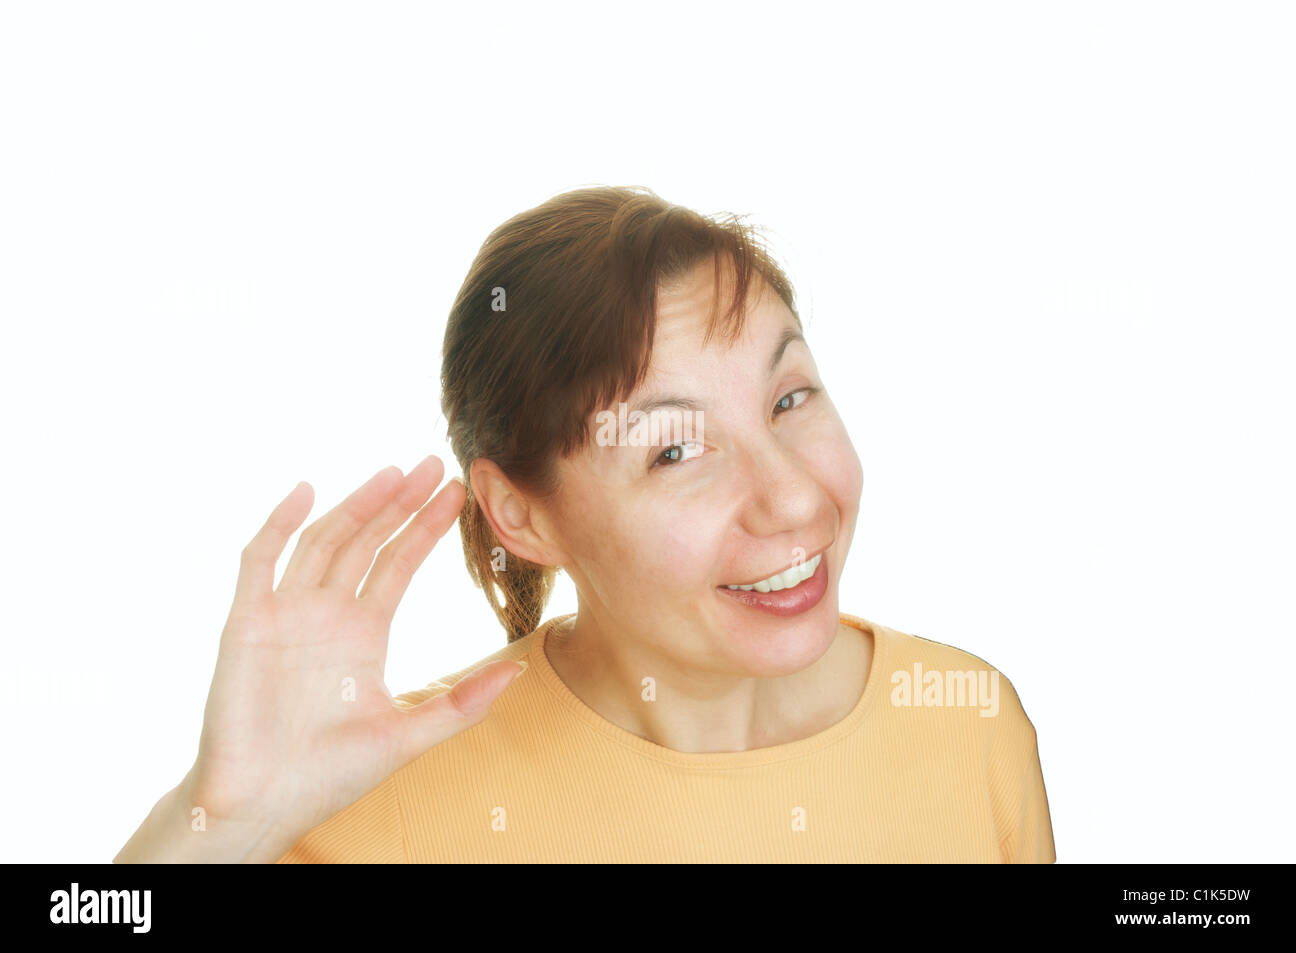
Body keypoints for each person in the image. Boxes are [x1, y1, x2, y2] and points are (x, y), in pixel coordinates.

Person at [115, 185, 1055, 863]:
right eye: (675, 451)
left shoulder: (967, 724)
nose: (797, 499)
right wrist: (218, 826)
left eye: (789, 397)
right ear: (522, 516)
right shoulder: (375, 813)